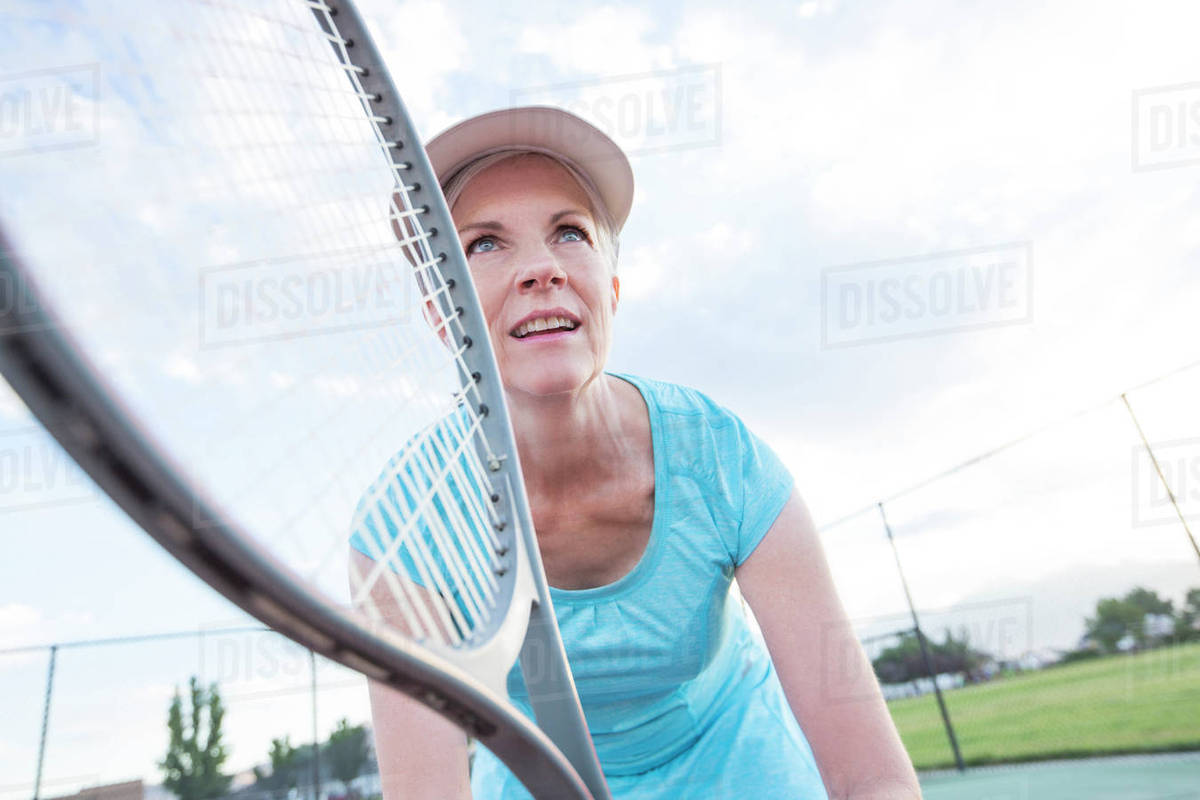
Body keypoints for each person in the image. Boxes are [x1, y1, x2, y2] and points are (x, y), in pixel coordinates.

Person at [357, 107, 922, 800]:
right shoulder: (404, 529)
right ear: (443, 315)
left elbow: (873, 779)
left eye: (569, 232)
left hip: (738, 756)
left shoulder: (721, 456)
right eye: (483, 244)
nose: (541, 268)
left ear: (612, 290)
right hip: (541, 776)